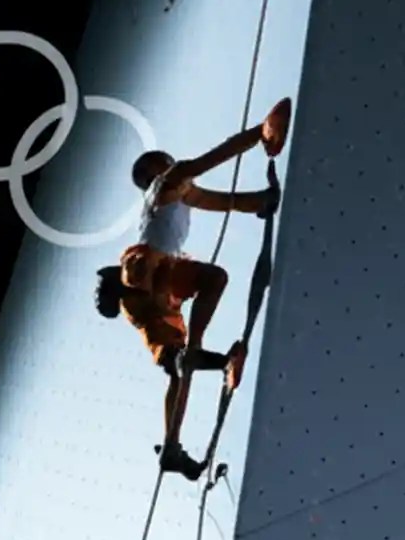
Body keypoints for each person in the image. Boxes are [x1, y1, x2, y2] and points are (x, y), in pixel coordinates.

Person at [95, 98, 291, 480]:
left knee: (178, 362)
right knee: (209, 286)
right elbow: (209, 159)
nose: (170, 162)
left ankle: (172, 446)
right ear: (154, 173)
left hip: (156, 281)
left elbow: (222, 201)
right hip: (150, 270)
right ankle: (202, 355)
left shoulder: (183, 193)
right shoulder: (166, 184)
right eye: (163, 160)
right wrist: (260, 133)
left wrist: (260, 202)